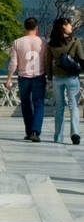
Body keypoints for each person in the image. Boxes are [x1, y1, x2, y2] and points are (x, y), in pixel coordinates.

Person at [6, 17, 49, 142]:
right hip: (39, 75)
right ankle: (36, 131)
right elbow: (46, 60)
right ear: (36, 27)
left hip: (24, 77)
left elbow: (13, 62)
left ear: (24, 28)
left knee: (25, 104)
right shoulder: (43, 41)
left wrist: (9, 78)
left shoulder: (18, 42)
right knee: (38, 104)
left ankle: (29, 130)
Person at [47, 16, 83, 145]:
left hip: (57, 77)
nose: (71, 26)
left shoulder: (51, 43)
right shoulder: (75, 41)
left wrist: (50, 77)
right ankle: (75, 133)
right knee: (74, 106)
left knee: (59, 107)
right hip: (72, 77)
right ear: (64, 26)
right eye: (69, 25)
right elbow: (82, 58)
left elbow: (48, 62)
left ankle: (58, 136)